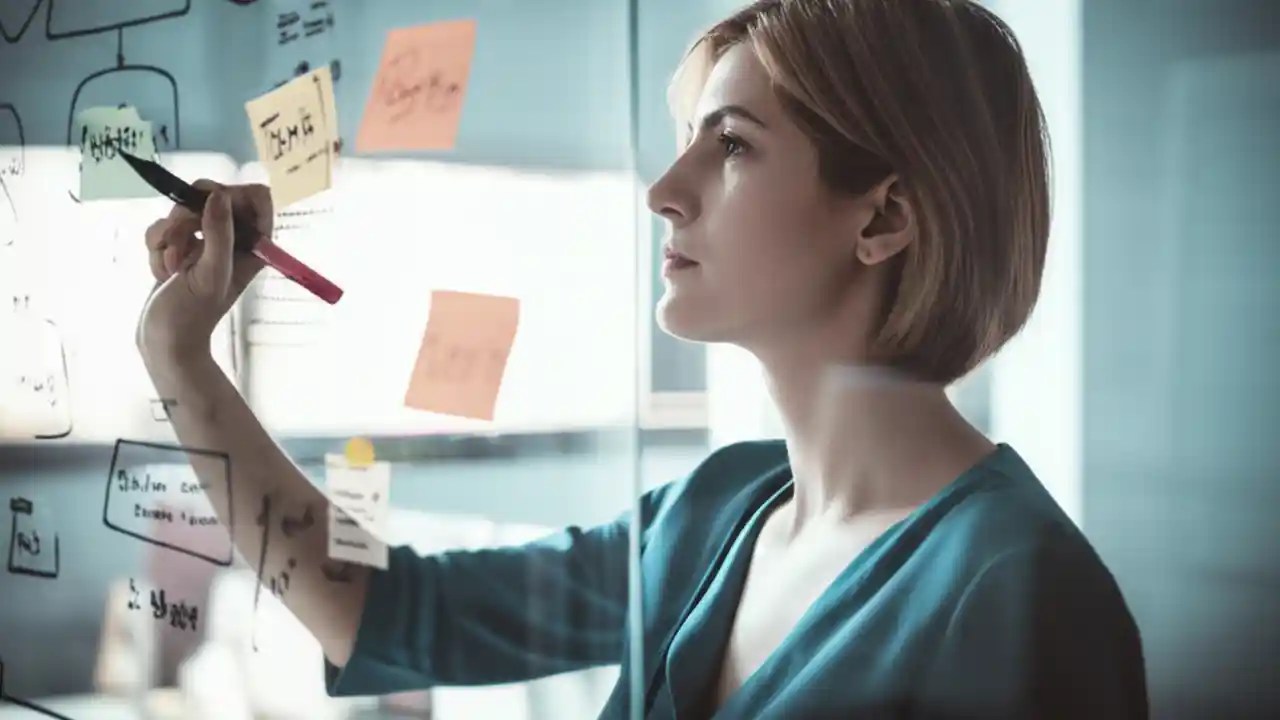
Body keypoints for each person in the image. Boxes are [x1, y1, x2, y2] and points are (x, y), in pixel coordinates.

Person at [137, 0, 1148, 717]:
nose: (665, 188)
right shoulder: (716, 509)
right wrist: (179, 353)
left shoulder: (1024, 593)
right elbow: (384, 615)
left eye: (732, 144)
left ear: (882, 219)